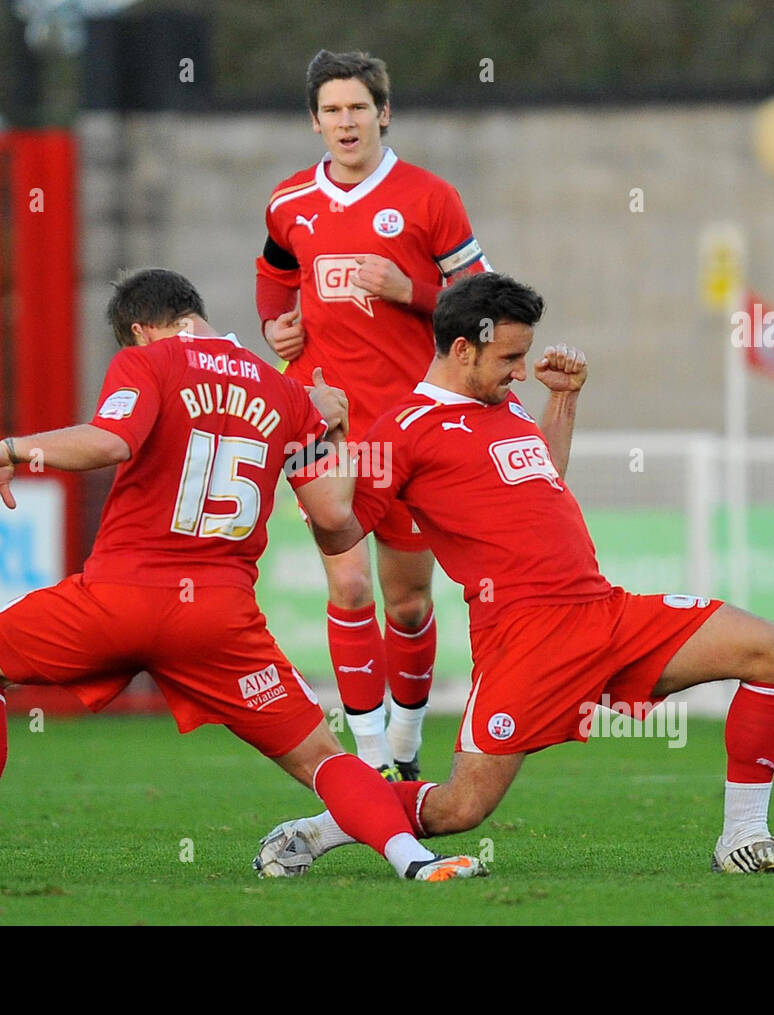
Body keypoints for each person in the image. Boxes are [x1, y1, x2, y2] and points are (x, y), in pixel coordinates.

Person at [0, 268, 484, 884]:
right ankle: (416, 861)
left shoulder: (150, 362)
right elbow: (334, 515)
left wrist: (11, 450)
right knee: (323, 759)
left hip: (119, 598)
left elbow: (109, 442)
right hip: (219, 622)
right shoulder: (284, 392)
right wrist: (336, 430)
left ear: (141, 330)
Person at [254, 272, 774, 877]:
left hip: (604, 612)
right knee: (458, 808)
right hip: (525, 640)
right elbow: (339, 530)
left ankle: (745, 837)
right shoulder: (403, 430)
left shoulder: (509, 405)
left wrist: (564, 399)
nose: (521, 371)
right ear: (463, 349)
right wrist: (320, 441)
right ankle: (322, 828)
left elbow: (544, 478)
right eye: (510, 358)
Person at [255, 49, 491, 780]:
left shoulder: (429, 197)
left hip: (408, 426)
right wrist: (274, 327)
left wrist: (411, 288)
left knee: (410, 602)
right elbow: (274, 271)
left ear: (383, 113)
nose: (346, 122)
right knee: (348, 586)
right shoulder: (290, 201)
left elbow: (478, 303)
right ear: (315, 120)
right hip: (322, 421)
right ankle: (365, 762)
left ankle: (406, 741)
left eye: (359, 107)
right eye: (332, 110)